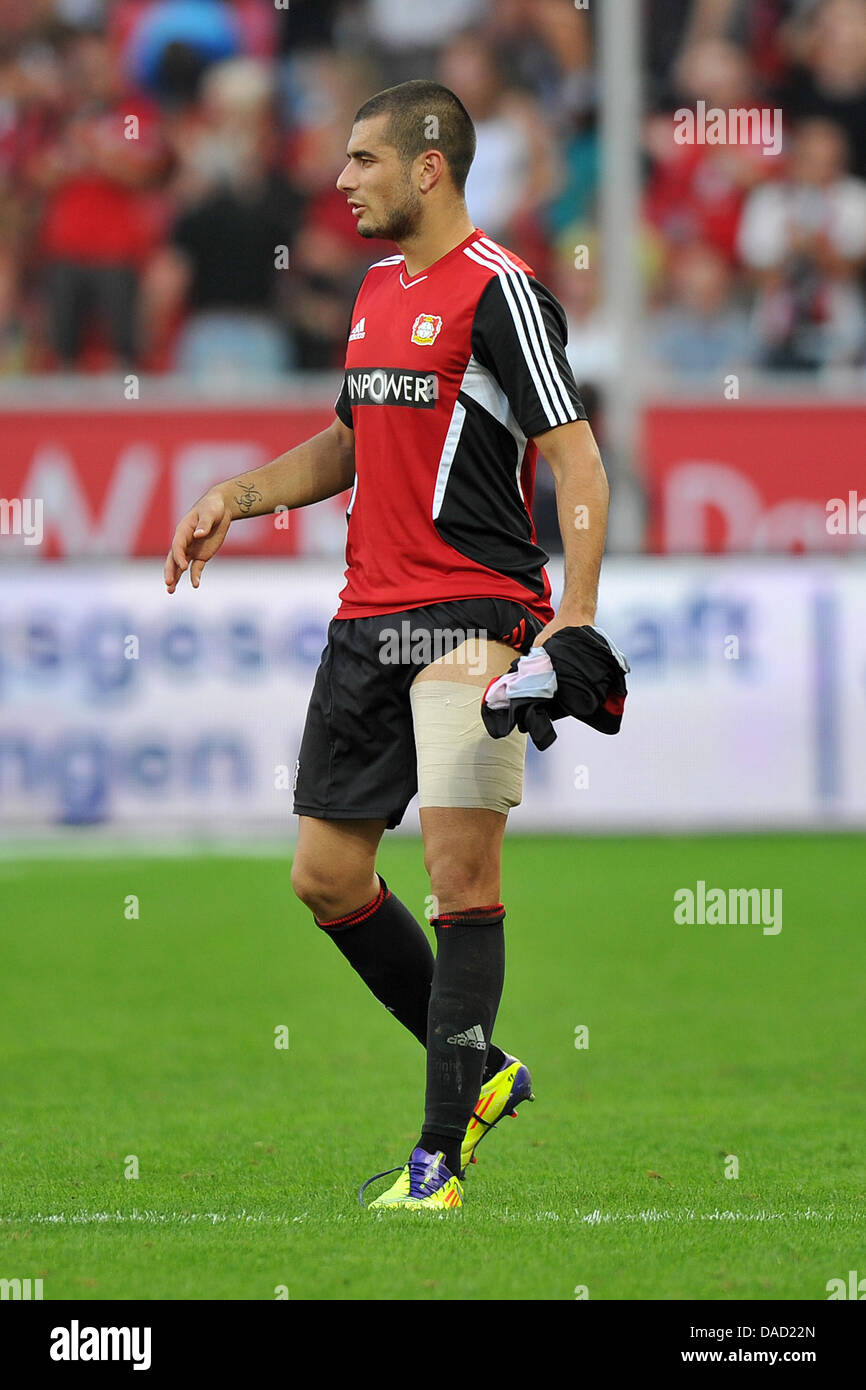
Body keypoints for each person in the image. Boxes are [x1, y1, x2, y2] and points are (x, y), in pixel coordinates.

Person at [165, 79, 609, 1211]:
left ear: (427, 166)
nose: (340, 180)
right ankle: (479, 1069)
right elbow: (350, 441)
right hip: (366, 620)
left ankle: (435, 1162)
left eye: (361, 160)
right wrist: (242, 491)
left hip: (475, 617)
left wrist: (572, 621)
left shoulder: (504, 296)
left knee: (460, 879)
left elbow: (578, 464)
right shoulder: (370, 291)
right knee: (326, 879)